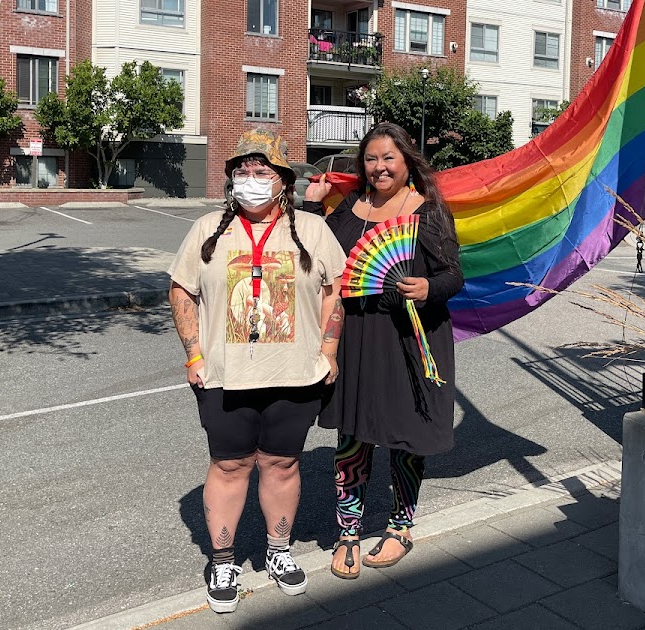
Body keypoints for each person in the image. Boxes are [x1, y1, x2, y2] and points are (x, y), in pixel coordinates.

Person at [168, 129, 346, 613]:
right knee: (229, 466)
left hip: (295, 376)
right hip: (224, 377)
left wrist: (328, 351)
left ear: (283, 180)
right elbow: (182, 290)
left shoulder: (311, 230)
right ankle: (222, 559)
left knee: (282, 464)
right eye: (242, 172)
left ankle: (279, 550)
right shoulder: (208, 228)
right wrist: (194, 354)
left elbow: (336, 290)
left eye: (261, 172)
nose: (250, 180)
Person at [303, 122, 463, 579]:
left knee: (404, 436)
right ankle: (348, 533)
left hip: (412, 337)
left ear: (407, 161)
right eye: (371, 159)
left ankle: (400, 528)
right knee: (352, 435)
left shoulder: (426, 211)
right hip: (355, 338)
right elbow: (312, 259)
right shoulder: (347, 210)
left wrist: (429, 286)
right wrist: (309, 209)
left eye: (388, 158)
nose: (379, 167)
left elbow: (454, 276)